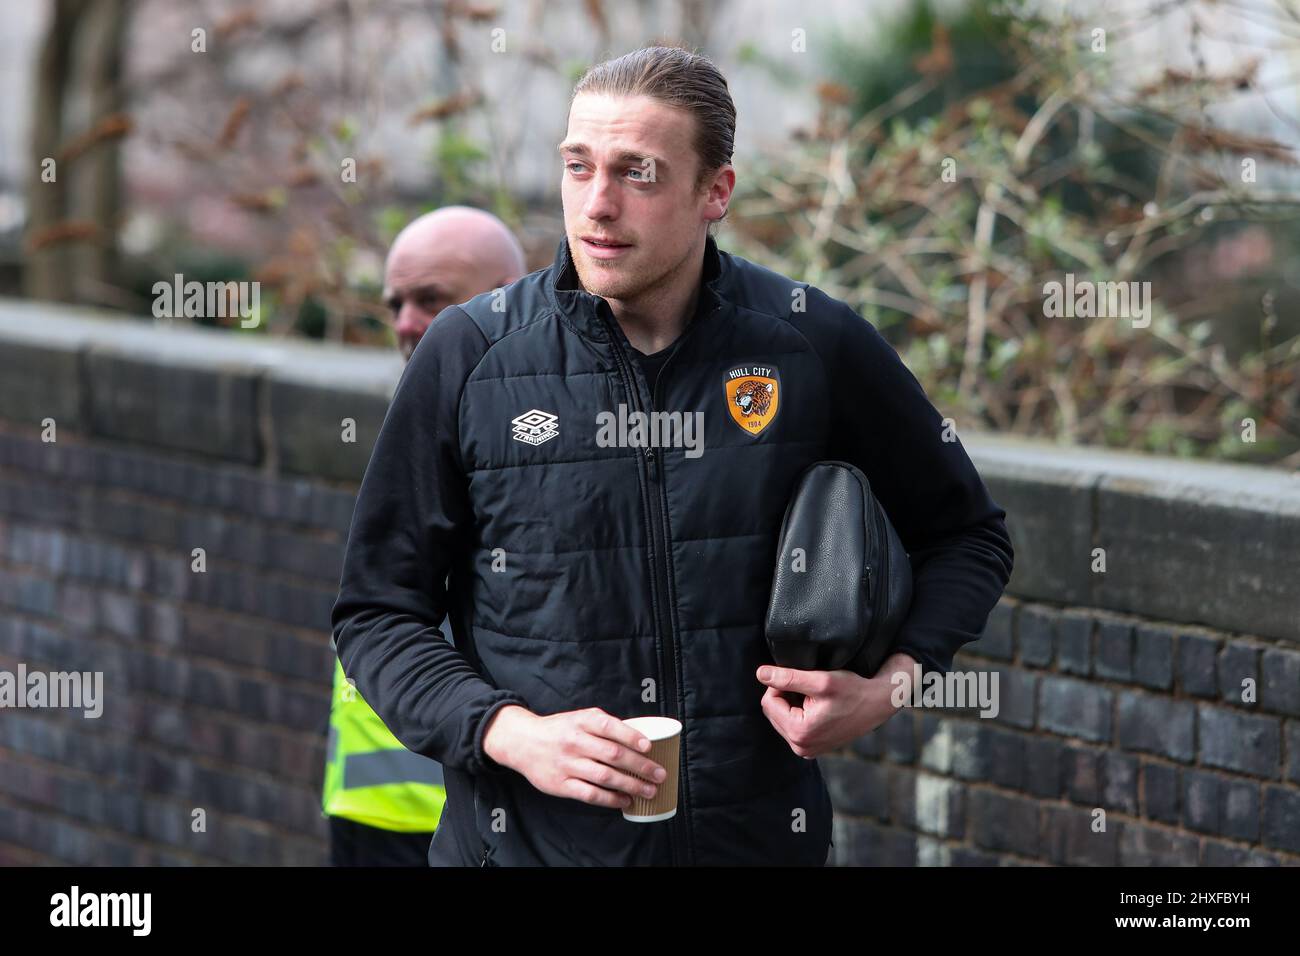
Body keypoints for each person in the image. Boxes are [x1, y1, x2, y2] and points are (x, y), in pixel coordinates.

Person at [331, 45, 1014, 866]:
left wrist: (889, 685)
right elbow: (376, 611)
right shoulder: (470, 354)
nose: (597, 205)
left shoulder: (809, 342)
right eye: (577, 167)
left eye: (638, 173)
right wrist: (509, 733)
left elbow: (967, 536)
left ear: (714, 191)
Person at [323, 206, 526, 866]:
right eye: (396, 303)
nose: (407, 322)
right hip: (372, 809)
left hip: (483, 807)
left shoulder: (538, 433)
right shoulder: (406, 423)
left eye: (432, 300)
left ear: (506, 292)